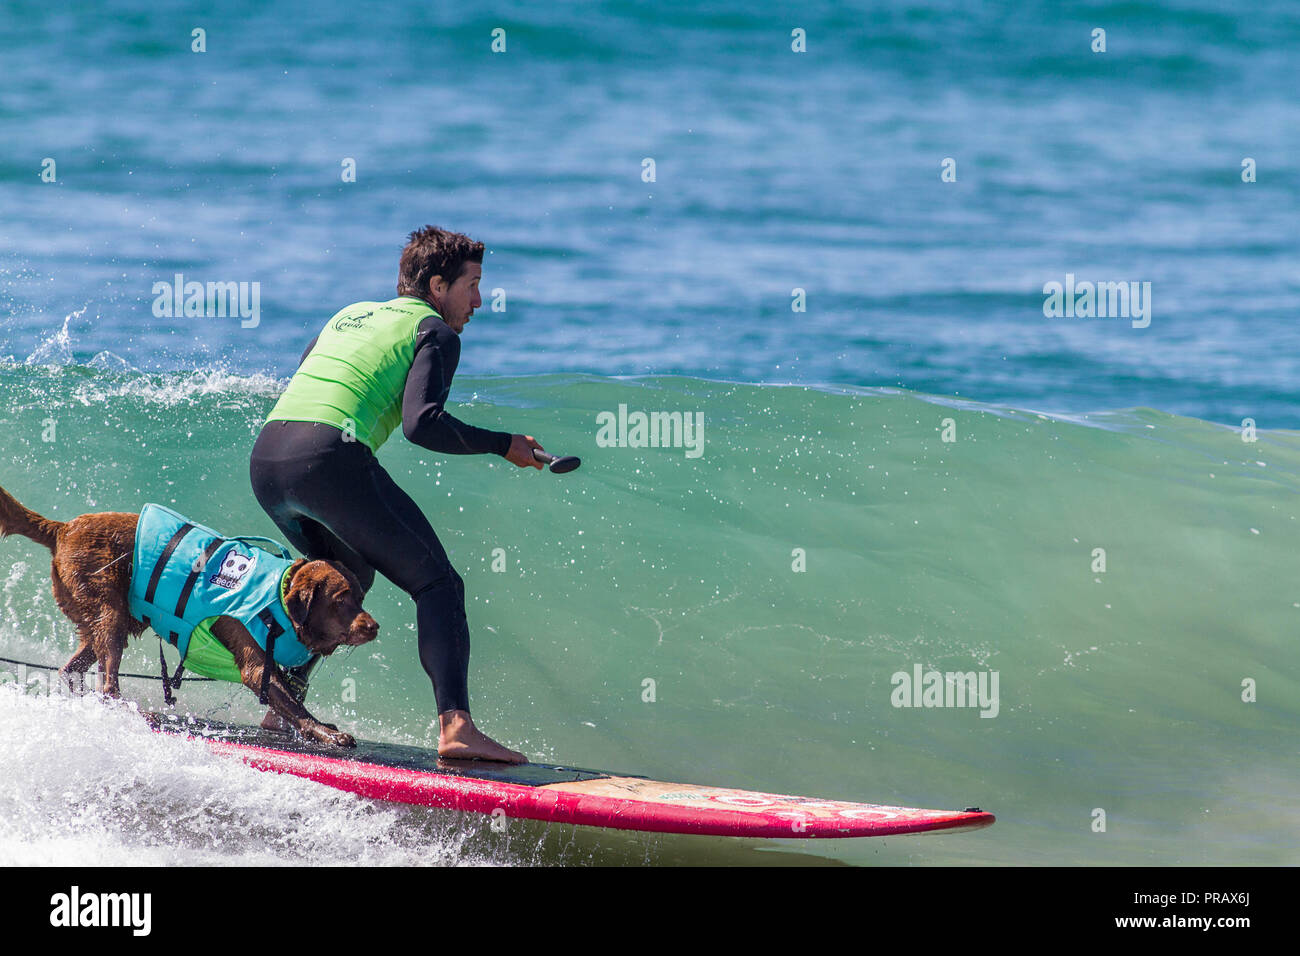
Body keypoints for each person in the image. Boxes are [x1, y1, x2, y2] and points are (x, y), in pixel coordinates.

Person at [248, 225, 542, 762]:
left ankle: (281, 706)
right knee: (438, 585)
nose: (479, 301)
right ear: (436, 286)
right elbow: (421, 424)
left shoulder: (348, 314)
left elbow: (309, 379)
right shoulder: (436, 333)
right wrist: (504, 445)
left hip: (268, 457)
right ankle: (456, 728)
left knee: (348, 575)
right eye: (471, 285)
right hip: (327, 457)